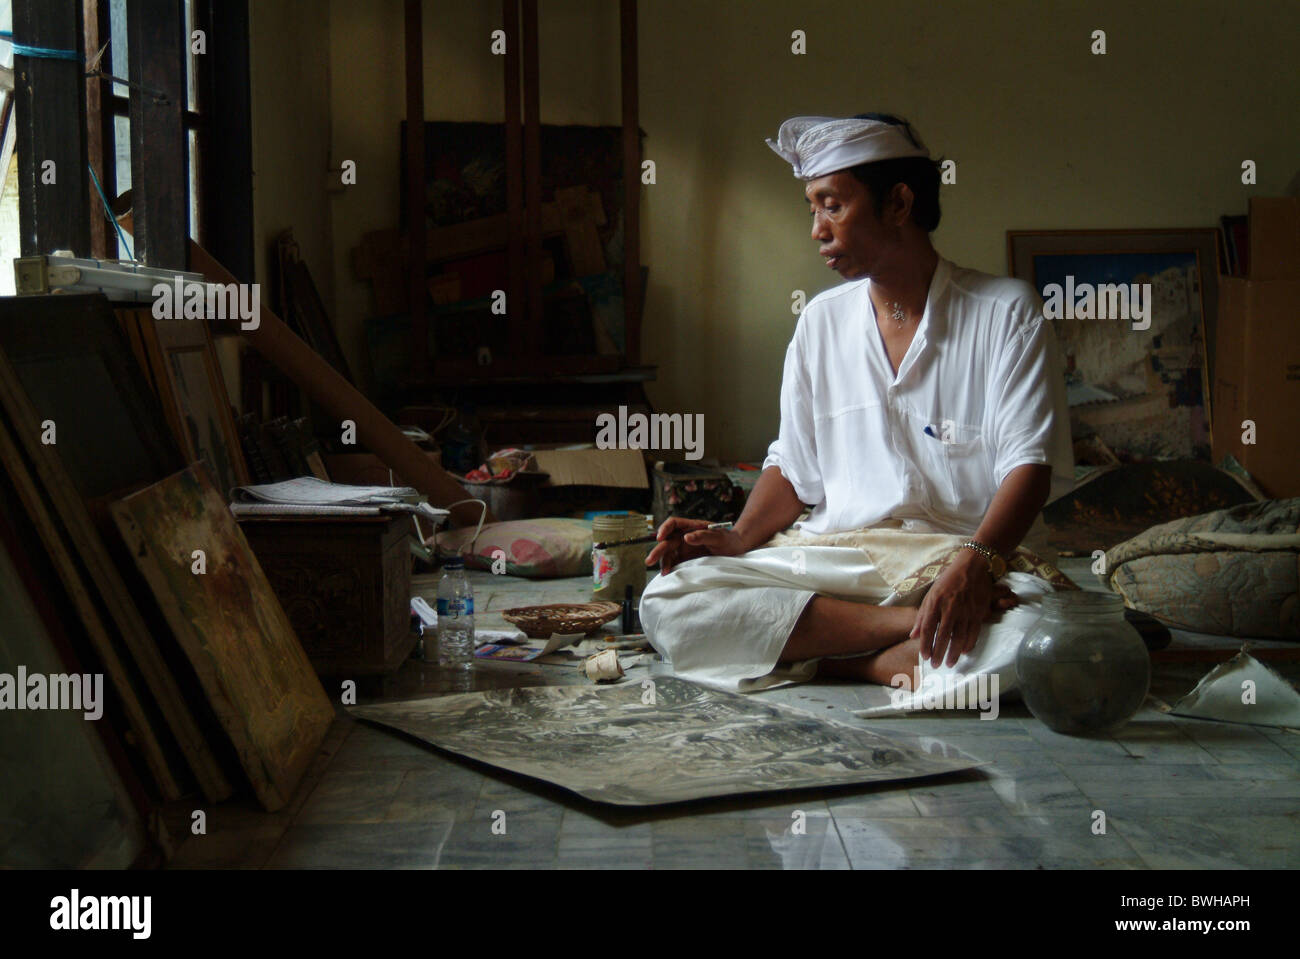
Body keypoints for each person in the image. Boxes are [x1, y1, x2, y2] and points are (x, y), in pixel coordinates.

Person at [639, 113, 1074, 700]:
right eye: (812, 210)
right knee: (670, 599)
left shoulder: (1005, 312)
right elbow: (794, 468)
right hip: (846, 560)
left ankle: (827, 648)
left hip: (969, 554)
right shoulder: (820, 322)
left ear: (898, 203)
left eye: (833, 206)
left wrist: (974, 566)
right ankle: (892, 644)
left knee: (1036, 639)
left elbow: (1029, 467)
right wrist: (738, 538)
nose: (817, 230)